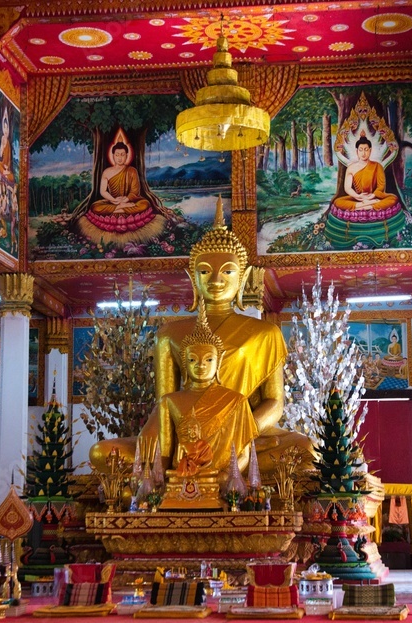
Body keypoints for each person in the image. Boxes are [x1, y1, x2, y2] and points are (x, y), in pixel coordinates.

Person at [89, 196, 313, 476]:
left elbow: (275, 403)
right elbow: (166, 402)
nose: (216, 281)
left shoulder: (265, 332)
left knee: (305, 449)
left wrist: (236, 433)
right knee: (103, 453)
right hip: (184, 436)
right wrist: (161, 442)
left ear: (242, 279)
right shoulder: (169, 333)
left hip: (243, 435)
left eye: (227, 272)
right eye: (205, 272)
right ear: (193, 279)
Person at [137, 300, 259, 477]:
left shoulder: (236, 400)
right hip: (180, 477)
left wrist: (227, 476)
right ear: (184, 363)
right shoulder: (169, 401)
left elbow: (244, 455)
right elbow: (164, 454)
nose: (201, 365)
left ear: (219, 362)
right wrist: (152, 482)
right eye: (193, 359)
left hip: (221, 478)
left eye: (209, 359)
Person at [332, 131, 400, 212]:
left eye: (366, 150)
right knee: (338, 202)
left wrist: (371, 197)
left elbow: (381, 186)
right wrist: (359, 197)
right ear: (357, 151)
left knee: (393, 198)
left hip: (374, 197)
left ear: (370, 150)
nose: (363, 153)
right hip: (358, 197)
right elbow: (348, 188)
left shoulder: (377, 166)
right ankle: (367, 205)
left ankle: (361, 207)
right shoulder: (351, 168)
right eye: (361, 150)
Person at [89, 141, 152, 217]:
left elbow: (135, 191)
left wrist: (125, 200)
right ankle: (121, 208)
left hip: (128, 200)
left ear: (127, 156)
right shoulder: (106, 172)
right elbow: (103, 191)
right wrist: (115, 200)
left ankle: (116, 210)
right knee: (95, 207)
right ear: (113, 156)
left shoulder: (132, 171)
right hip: (113, 201)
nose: (120, 158)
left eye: (122, 155)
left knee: (145, 204)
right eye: (117, 155)